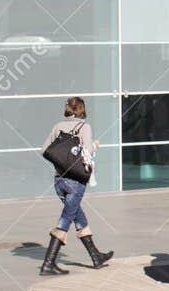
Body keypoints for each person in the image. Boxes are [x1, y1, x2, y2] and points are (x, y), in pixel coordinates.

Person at [39, 97, 113, 276]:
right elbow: (87, 152)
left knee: (78, 217)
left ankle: (96, 256)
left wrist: (62, 160)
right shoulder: (84, 127)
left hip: (59, 180)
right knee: (65, 219)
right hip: (75, 181)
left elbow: (44, 150)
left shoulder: (58, 126)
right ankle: (48, 263)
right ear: (82, 109)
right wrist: (95, 145)